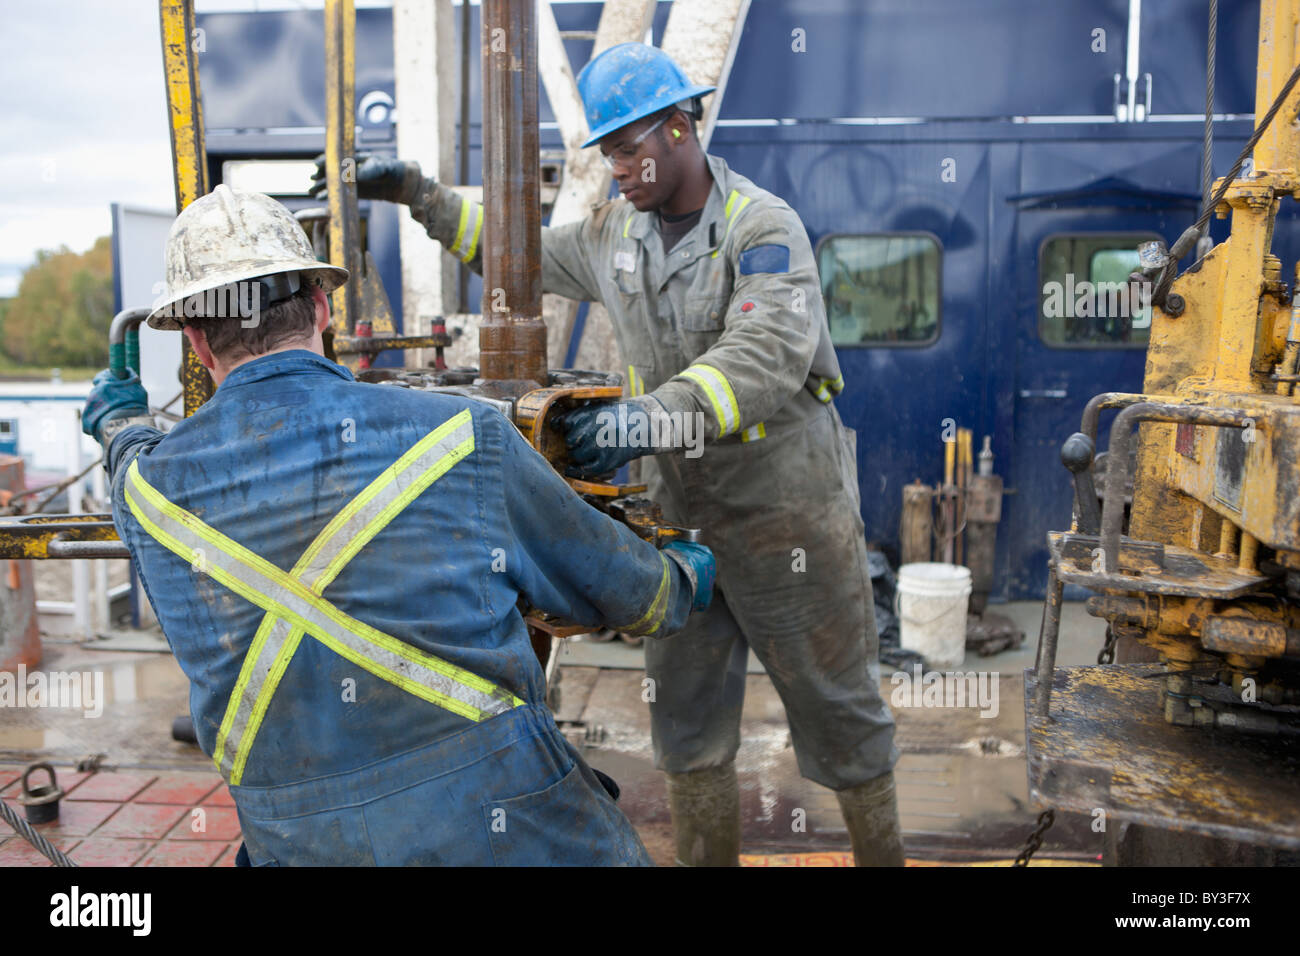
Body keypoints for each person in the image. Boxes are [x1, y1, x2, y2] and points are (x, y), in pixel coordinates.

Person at [313, 41, 903, 867]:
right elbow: (508, 251)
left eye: (628, 149)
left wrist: (645, 422)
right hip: (678, 524)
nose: (617, 168)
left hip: (787, 519)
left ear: (678, 130)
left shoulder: (762, 228)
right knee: (688, 729)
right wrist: (420, 195)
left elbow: (764, 355)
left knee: (841, 715)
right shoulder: (612, 234)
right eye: (609, 152)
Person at [82, 183, 716, 866]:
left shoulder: (148, 494)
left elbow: (130, 458)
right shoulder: (464, 437)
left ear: (199, 343)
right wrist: (686, 572)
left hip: (301, 847)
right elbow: (639, 596)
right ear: (322, 308)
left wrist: (120, 424)